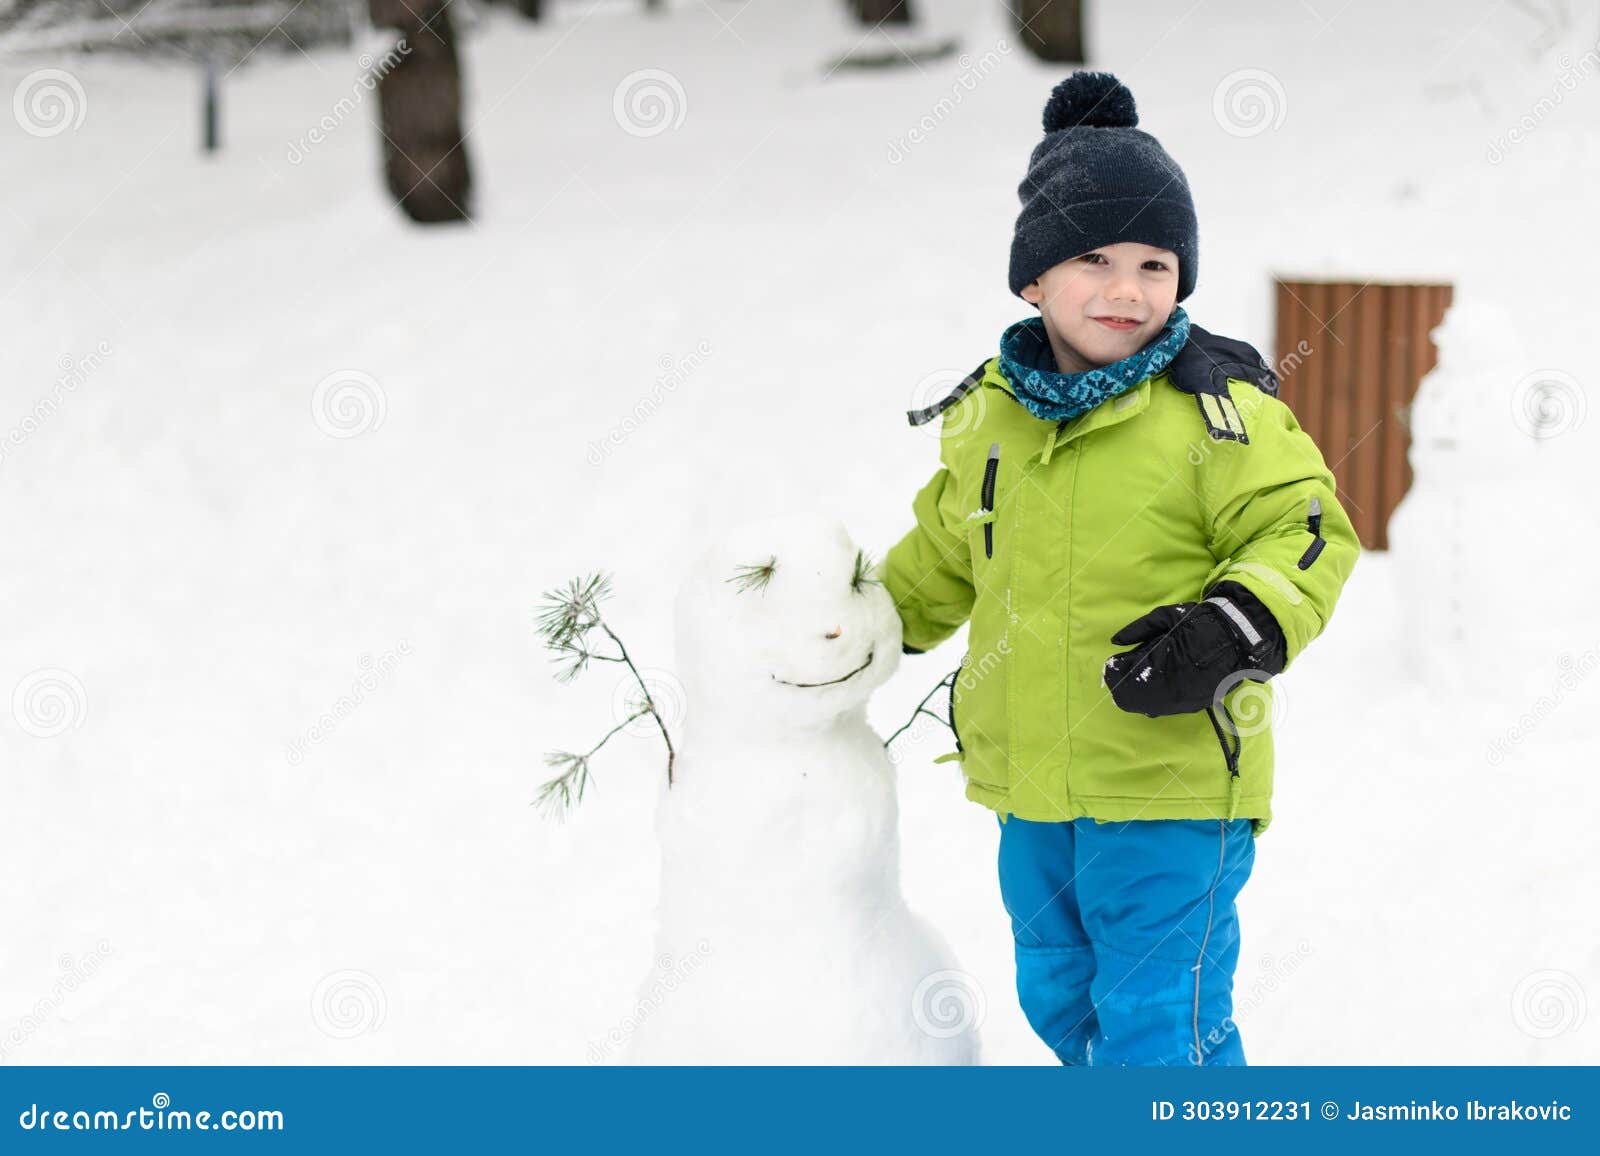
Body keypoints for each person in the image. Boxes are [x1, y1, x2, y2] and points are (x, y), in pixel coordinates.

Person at [881, 71, 1360, 1066]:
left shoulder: (1216, 414)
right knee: (1060, 994)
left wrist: (1237, 623)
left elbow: (1305, 526)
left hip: (1173, 784)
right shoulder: (987, 421)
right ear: (1033, 279)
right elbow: (938, 560)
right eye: (1091, 257)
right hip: (1033, 787)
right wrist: (834, 629)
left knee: (1160, 1020)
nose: (1124, 287)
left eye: (1153, 262)